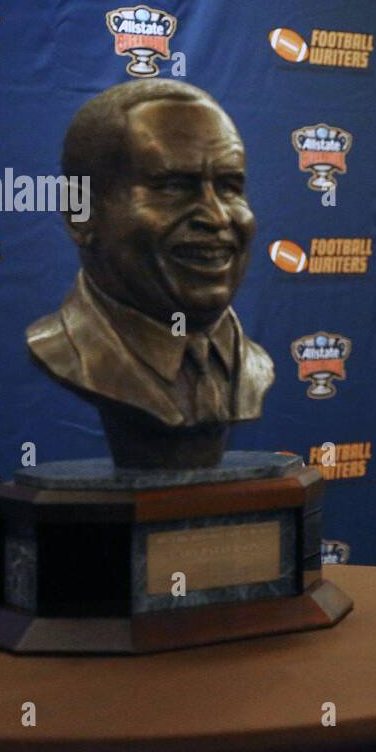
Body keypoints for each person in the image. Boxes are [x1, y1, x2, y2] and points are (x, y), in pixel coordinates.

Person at [28, 80, 274, 468]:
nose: (217, 217)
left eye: (229, 187)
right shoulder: (63, 352)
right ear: (81, 212)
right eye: (174, 186)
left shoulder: (254, 366)